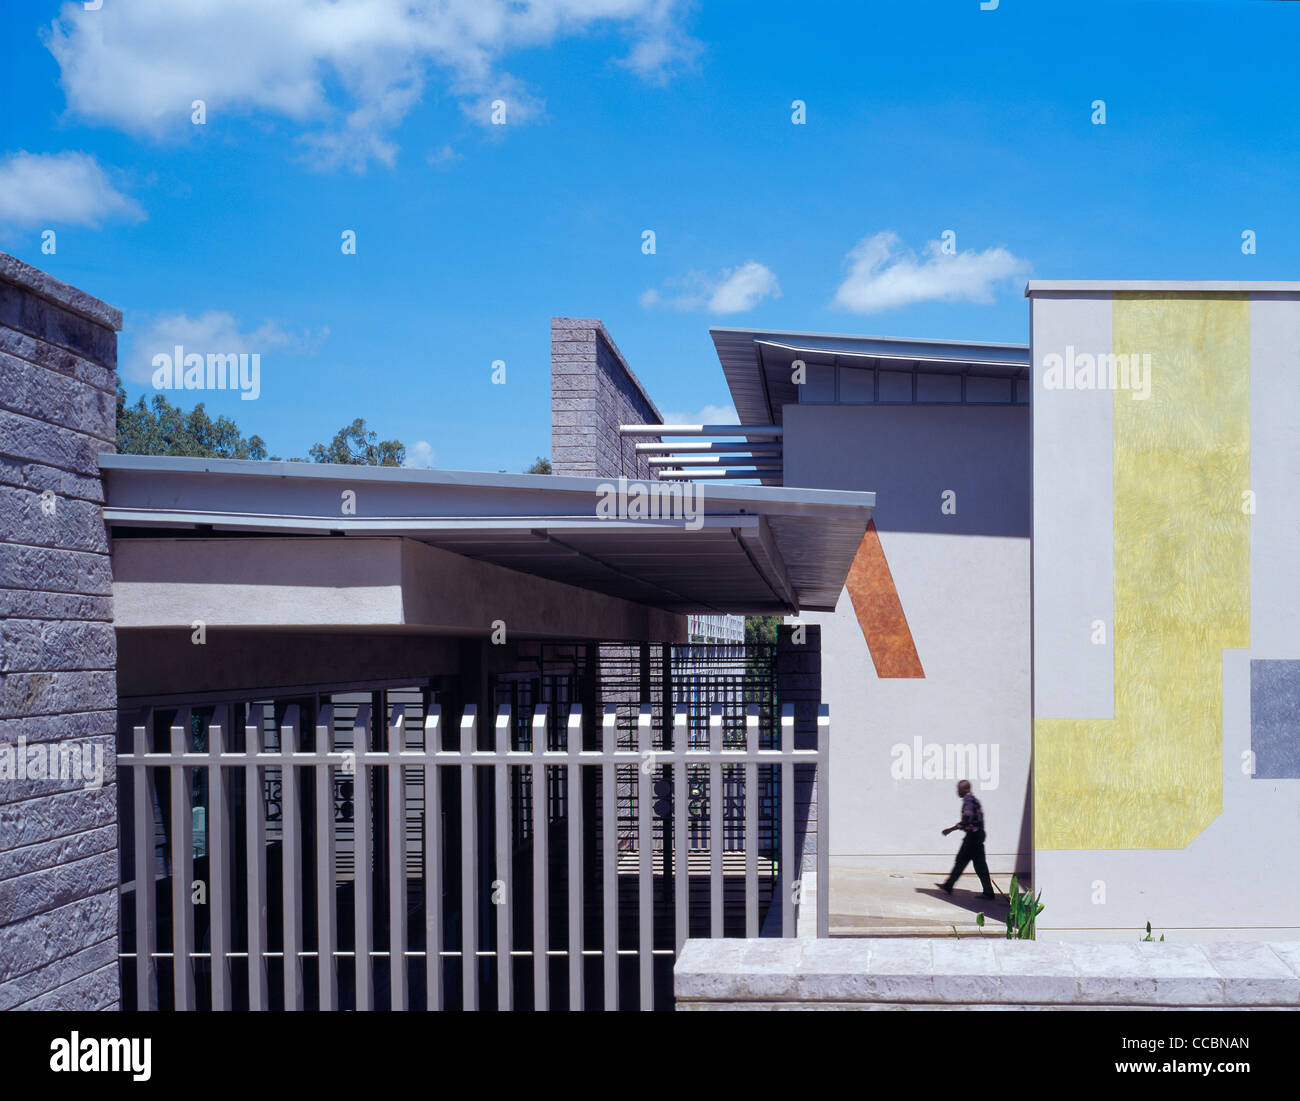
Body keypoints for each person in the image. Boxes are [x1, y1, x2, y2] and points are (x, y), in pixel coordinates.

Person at [936, 779, 996, 899]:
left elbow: (967, 819)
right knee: (979, 865)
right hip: (978, 835)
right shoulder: (974, 800)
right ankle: (988, 891)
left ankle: (949, 885)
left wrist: (950, 829)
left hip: (973, 837)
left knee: (962, 861)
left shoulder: (968, 800)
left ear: (965, 789)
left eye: (959, 789)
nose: (957, 791)